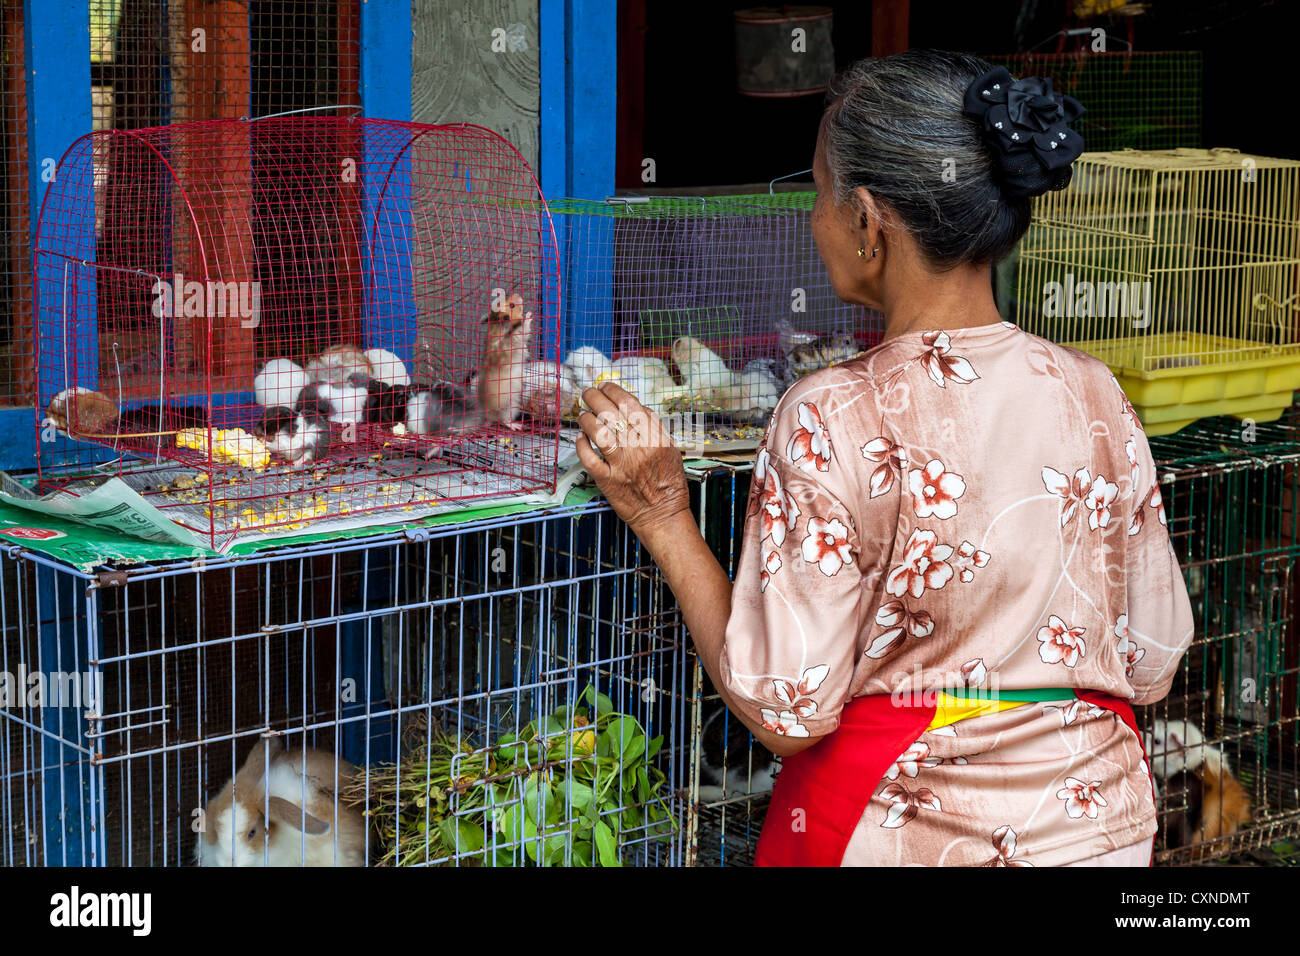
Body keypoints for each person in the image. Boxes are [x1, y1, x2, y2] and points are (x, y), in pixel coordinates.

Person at [575, 49, 1194, 867]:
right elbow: (1150, 658)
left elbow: (786, 711)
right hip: (1100, 832)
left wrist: (663, 517)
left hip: (912, 836)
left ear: (870, 222)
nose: (812, 218)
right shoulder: (1094, 393)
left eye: (820, 194)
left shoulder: (834, 412)